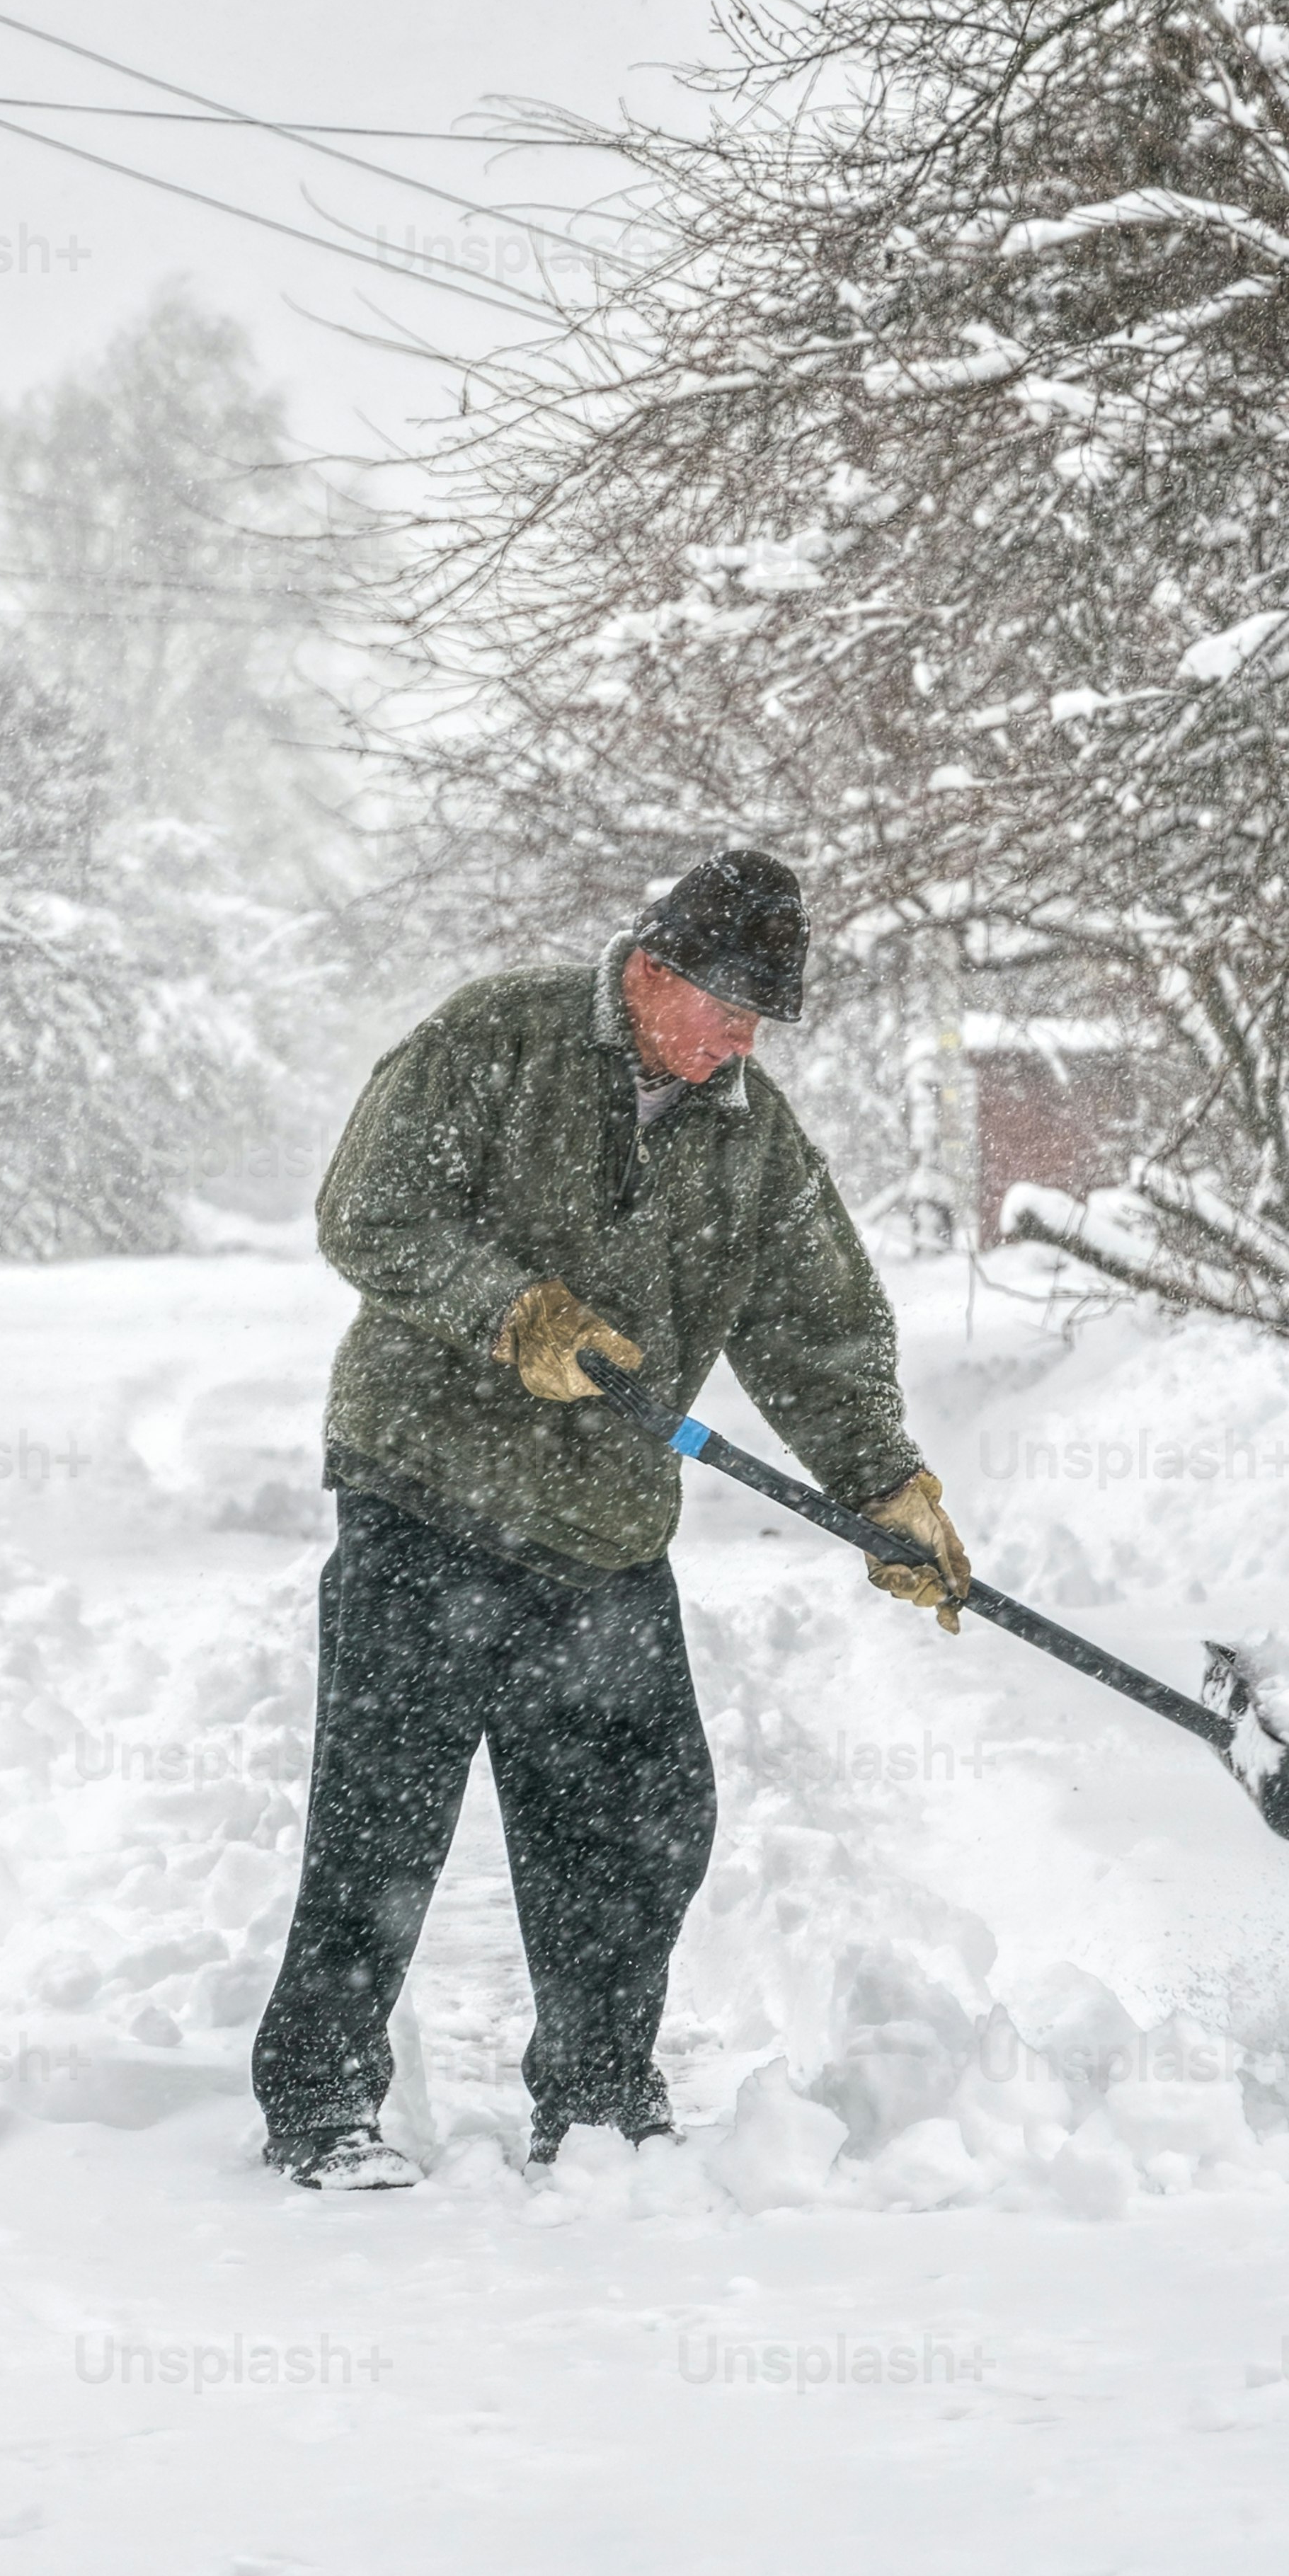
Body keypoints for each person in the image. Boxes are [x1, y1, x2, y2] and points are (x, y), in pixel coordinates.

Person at [251, 847, 972, 2189]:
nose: (742, 1045)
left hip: (599, 1524)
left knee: (646, 1811)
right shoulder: (499, 1039)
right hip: (427, 1484)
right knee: (385, 1811)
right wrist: (509, 1312)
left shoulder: (750, 1134)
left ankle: (592, 2093)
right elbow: (371, 1212)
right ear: (651, 973)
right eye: (729, 1011)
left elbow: (816, 1326)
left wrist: (884, 1486)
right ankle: (321, 2100)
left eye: (762, 1023)